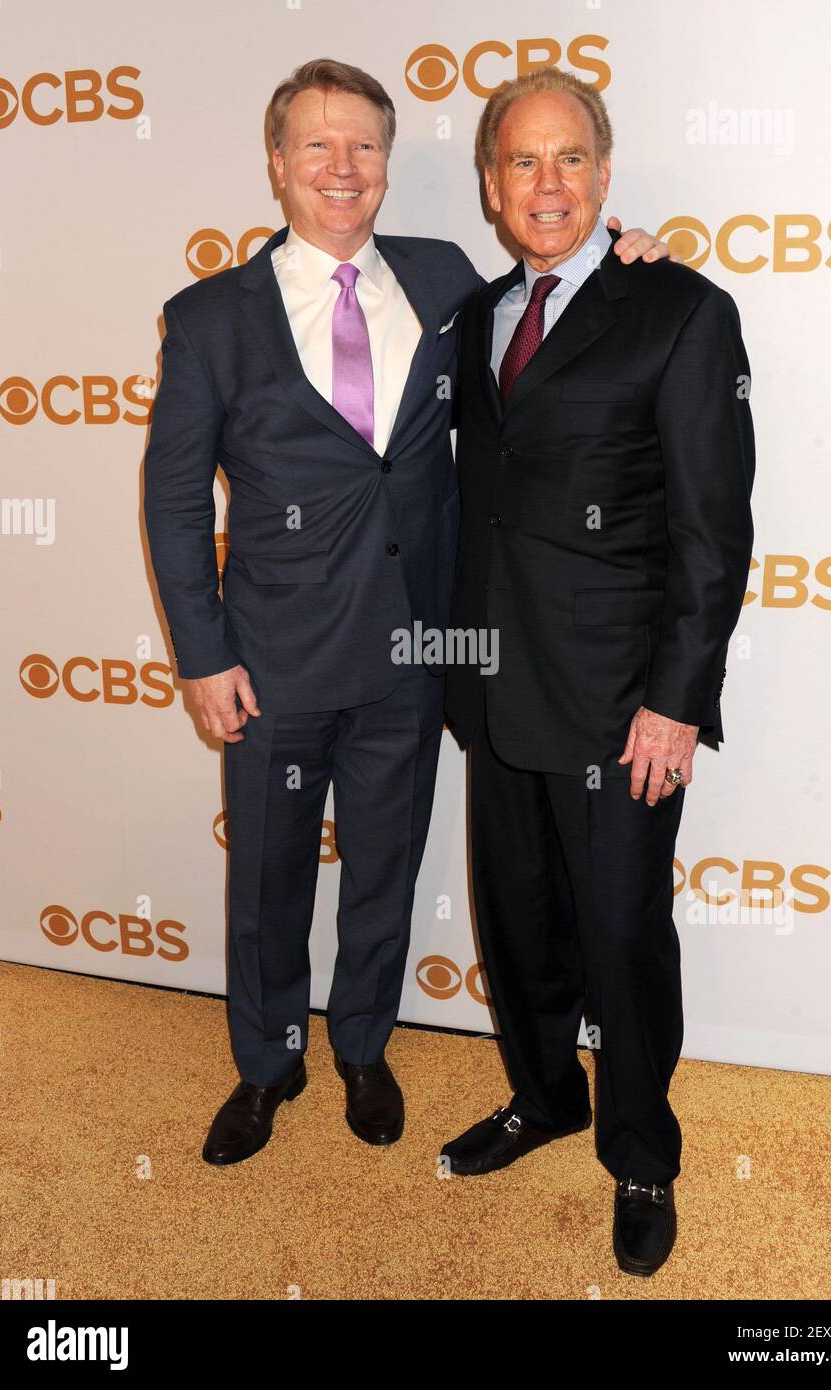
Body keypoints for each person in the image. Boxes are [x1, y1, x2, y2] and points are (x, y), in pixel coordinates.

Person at [143, 58, 669, 1168]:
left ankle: (365, 1048)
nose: (343, 168)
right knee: (270, 879)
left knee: (385, 867)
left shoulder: (446, 287)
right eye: (318, 146)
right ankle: (268, 1062)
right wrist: (202, 654)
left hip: (415, 655)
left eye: (365, 146)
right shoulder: (206, 321)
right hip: (270, 662)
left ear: (389, 166)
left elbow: (563, 296)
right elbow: (175, 498)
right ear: (278, 164)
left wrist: (634, 253)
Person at [442, 67, 756, 1276]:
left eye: (570, 157)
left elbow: (711, 529)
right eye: (522, 163)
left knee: (623, 938)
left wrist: (678, 698)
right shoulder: (477, 316)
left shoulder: (679, 310)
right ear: (490, 186)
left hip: (624, 706)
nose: (548, 184)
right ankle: (543, 1099)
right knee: (518, 927)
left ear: (607, 172)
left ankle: (640, 1152)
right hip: (494, 687)